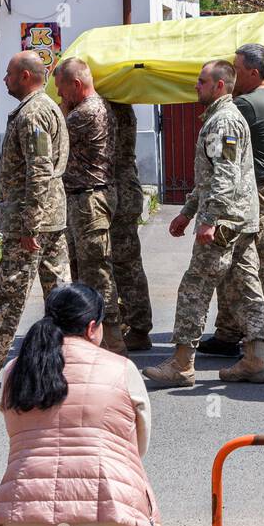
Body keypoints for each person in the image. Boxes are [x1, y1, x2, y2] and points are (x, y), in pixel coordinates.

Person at [0, 284, 167, 526]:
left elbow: (17, 439)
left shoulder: (14, 371)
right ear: (92, 328)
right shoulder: (121, 369)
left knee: (51, 480)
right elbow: (140, 446)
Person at [142, 60, 264, 387]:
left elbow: (224, 176)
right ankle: (255, 359)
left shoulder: (223, 122)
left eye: (201, 81)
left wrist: (209, 218)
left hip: (225, 222)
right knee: (247, 289)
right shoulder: (222, 118)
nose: (196, 86)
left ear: (219, 86)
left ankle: (182, 364)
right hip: (240, 220)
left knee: (194, 287)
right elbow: (210, 178)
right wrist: (186, 212)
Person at [0, 51, 71, 395]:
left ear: (24, 76)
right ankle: (76, 362)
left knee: (9, 295)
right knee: (61, 295)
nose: (3, 80)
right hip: (44, 217)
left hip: (32, 223)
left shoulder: (34, 112)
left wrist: (28, 225)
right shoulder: (44, 107)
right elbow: (27, 174)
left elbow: (38, 171)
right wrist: (2, 210)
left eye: (8, 74)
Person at [199, 44, 264, 362]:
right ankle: (229, 332)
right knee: (235, 266)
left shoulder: (244, 105)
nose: (233, 75)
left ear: (253, 73)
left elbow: (224, 154)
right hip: (260, 190)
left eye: (236, 70)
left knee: (258, 268)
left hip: (257, 192)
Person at [52, 56, 126, 355]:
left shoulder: (85, 112)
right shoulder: (98, 106)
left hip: (88, 199)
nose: (59, 95)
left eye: (61, 88)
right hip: (87, 197)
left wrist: (64, 108)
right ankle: (95, 335)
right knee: (86, 269)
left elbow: (53, 130)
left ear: (77, 84)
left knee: (96, 271)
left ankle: (113, 340)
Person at [108, 102, 154, 351]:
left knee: (126, 264)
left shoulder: (111, 109)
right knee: (126, 263)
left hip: (119, 192)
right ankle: (134, 322)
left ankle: (138, 326)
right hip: (123, 189)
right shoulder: (122, 107)